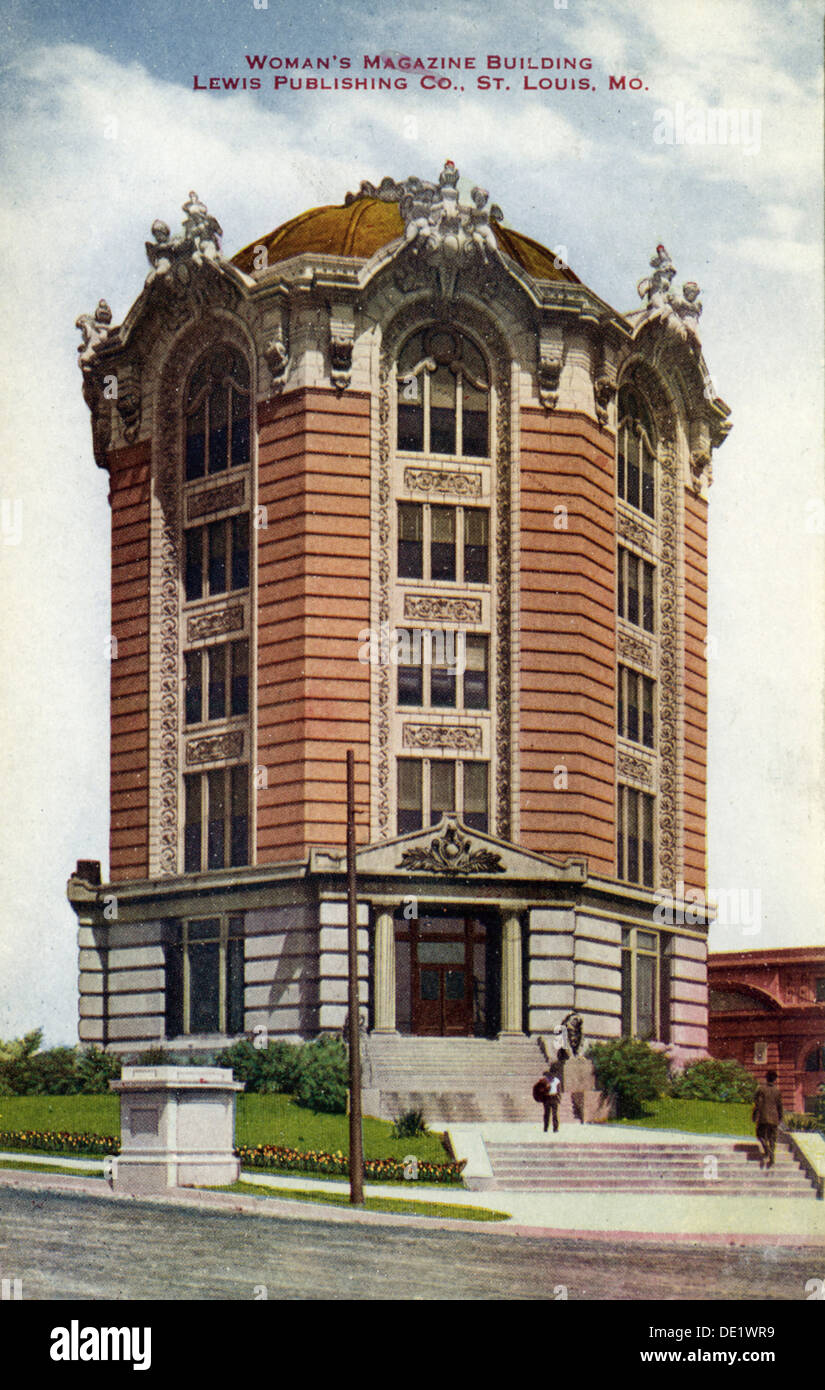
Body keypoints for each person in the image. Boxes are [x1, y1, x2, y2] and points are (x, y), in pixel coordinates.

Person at [752, 1069, 784, 1168]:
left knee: (760, 1135)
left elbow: (758, 1103)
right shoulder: (777, 1091)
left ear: (766, 1078)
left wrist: (754, 1115)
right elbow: (780, 1106)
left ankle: (767, 1150)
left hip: (763, 1117)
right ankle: (772, 1155)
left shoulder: (761, 1089)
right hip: (774, 1118)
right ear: (775, 1079)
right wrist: (780, 1117)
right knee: (772, 1139)